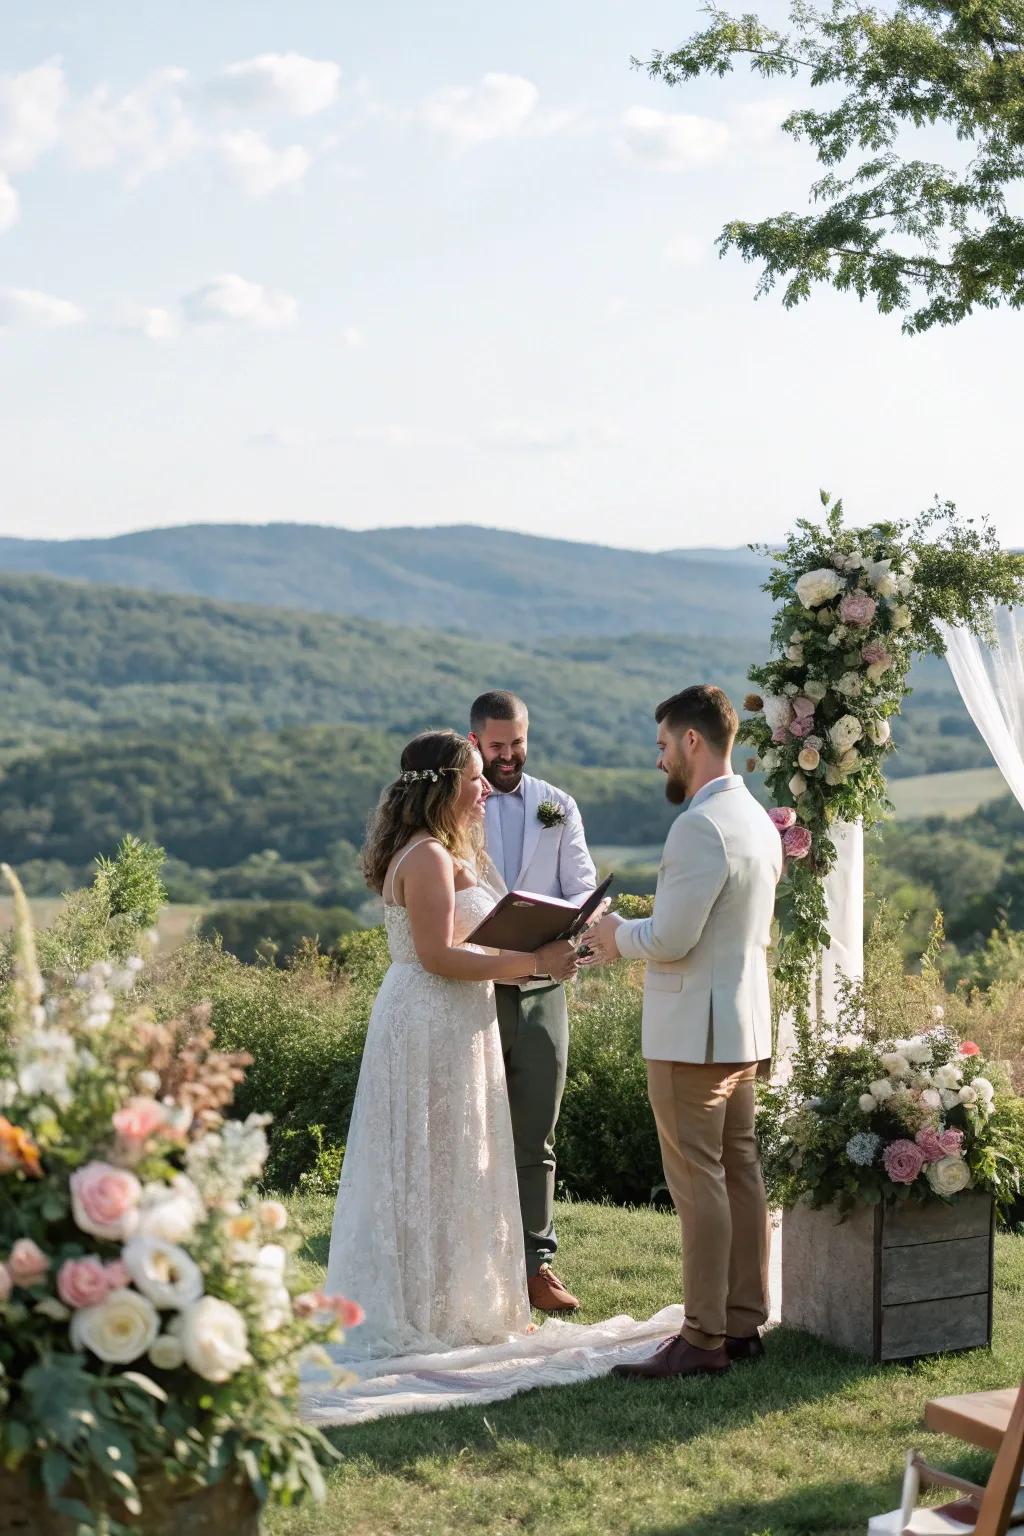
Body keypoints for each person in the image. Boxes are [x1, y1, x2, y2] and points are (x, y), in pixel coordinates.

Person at [325, 729, 578, 1357]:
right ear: (445, 786)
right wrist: (532, 961)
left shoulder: (438, 849)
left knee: (454, 1157)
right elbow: (437, 956)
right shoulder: (429, 858)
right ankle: (427, 1311)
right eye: (474, 779)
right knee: (436, 1157)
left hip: (453, 1018)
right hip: (431, 1018)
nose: (486, 787)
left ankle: (453, 1297)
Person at [585, 685, 782, 1380]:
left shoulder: (700, 825)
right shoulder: (755, 818)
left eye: (664, 744)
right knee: (740, 1174)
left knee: (701, 1184)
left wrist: (614, 935)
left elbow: (670, 936)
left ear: (692, 741)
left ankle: (701, 1340)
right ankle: (742, 1322)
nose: (660, 758)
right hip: (742, 1025)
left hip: (691, 1035)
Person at [469, 690, 597, 1313]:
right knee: (470, 1129)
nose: (510, 755)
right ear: (475, 744)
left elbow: (580, 887)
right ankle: (471, 1258)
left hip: (545, 991)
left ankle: (536, 1265)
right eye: (497, 746)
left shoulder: (557, 804)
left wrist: (597, 933)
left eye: (517, 743)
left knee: (535, 1134)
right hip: (473, 990)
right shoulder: (455, 806)